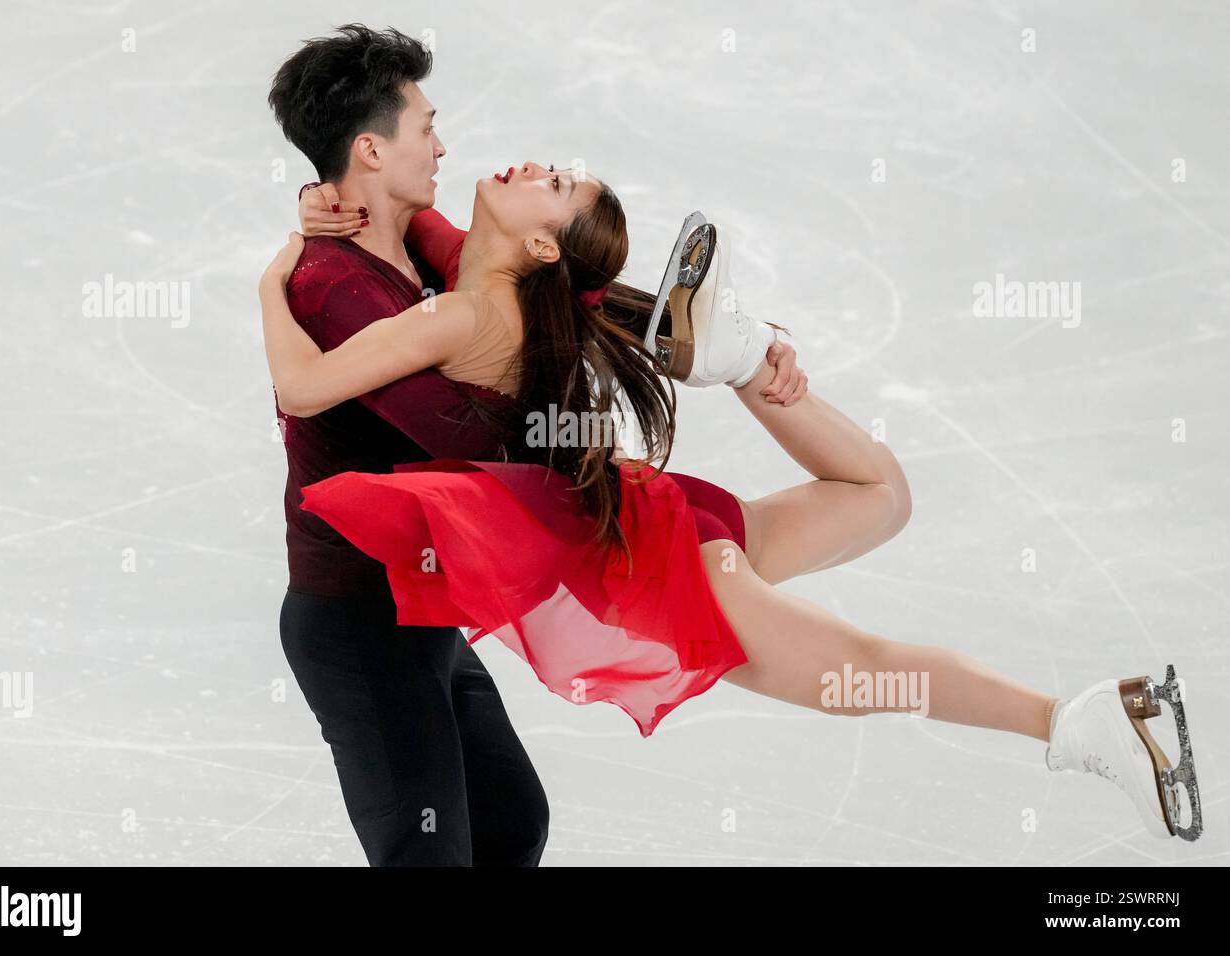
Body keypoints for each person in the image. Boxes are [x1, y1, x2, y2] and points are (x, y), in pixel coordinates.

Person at [262, 153, 1205, 843]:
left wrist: (278, 271)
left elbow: (315, 377)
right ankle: (739, 354)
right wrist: (758, 369)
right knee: (881, 495)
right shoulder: (516, 280)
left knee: (860, 670)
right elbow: (436, 231)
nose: (539, 164)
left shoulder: (473, 303)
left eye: (554, 184)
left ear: (543, 239)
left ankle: (1072, 720)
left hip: (656, 557)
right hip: (661, 512)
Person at [265, 24, 549, 866]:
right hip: (358, 624)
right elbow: (465, 436)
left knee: (509, 823)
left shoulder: (412, 248)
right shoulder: (335, 289)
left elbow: (504, 272)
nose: (441, 144)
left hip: (424, 614)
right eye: (425, 127)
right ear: (371, 150)